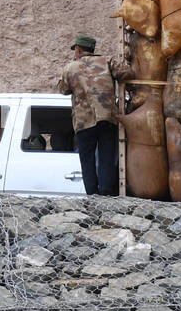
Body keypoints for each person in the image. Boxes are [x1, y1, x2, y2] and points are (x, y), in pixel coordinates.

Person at [56, 34, 135, 196]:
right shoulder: (107, 61)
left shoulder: (71, 67)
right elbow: (127, 73)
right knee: (107, 154)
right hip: (107, 117)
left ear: (78, 50)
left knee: (87, 159)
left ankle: (92, 194)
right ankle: (105, 192)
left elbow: (62, 89)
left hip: (84, 121)